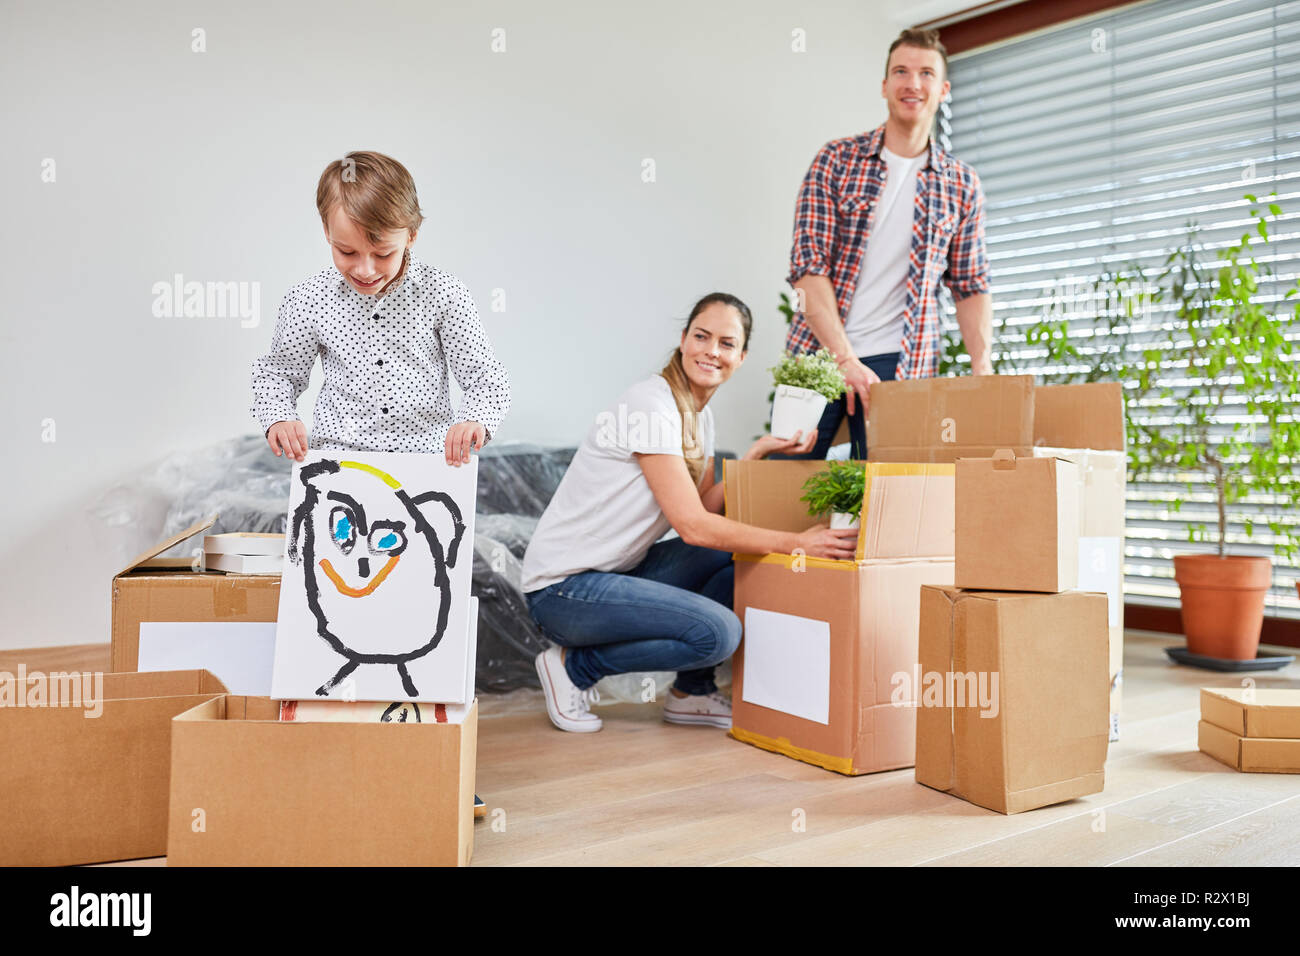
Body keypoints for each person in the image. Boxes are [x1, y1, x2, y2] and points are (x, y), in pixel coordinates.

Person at [521, 293, 861, 734]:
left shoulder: (701, 417)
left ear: (741, 357)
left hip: (614, 575)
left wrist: (755, 453)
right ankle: (575, 667)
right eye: (701, 336)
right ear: (683, 340)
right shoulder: (650, 404)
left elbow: (702, 509)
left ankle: (691, 692)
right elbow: (693, 526)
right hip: (562, 592)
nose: (711, 351)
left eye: (725, 343)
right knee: (718, 633)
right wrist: (799, 542)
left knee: (729, 560)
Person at [784, 28, 993, 461]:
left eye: (925, 73)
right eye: (900, 71)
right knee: (786, 484)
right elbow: (808, 270)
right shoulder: (836, 160)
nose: (912, 83)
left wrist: (983, 370)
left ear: (943, 89)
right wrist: (843, 360)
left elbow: (970, 286)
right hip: (817, 355)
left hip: (902, 362)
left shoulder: (961, 185)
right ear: (884, 85)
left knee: (888, 498)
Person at [250, 150, 510, 465]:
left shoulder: (444, 294)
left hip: (426, 463)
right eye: (347, 251)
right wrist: (279, 416)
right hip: (338, 463)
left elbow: (485, 376)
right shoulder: (308, 299)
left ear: (411, 236)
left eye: (383, 254)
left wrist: (475, 418)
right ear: (326, 233)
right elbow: (279, 373)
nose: (365, 270)